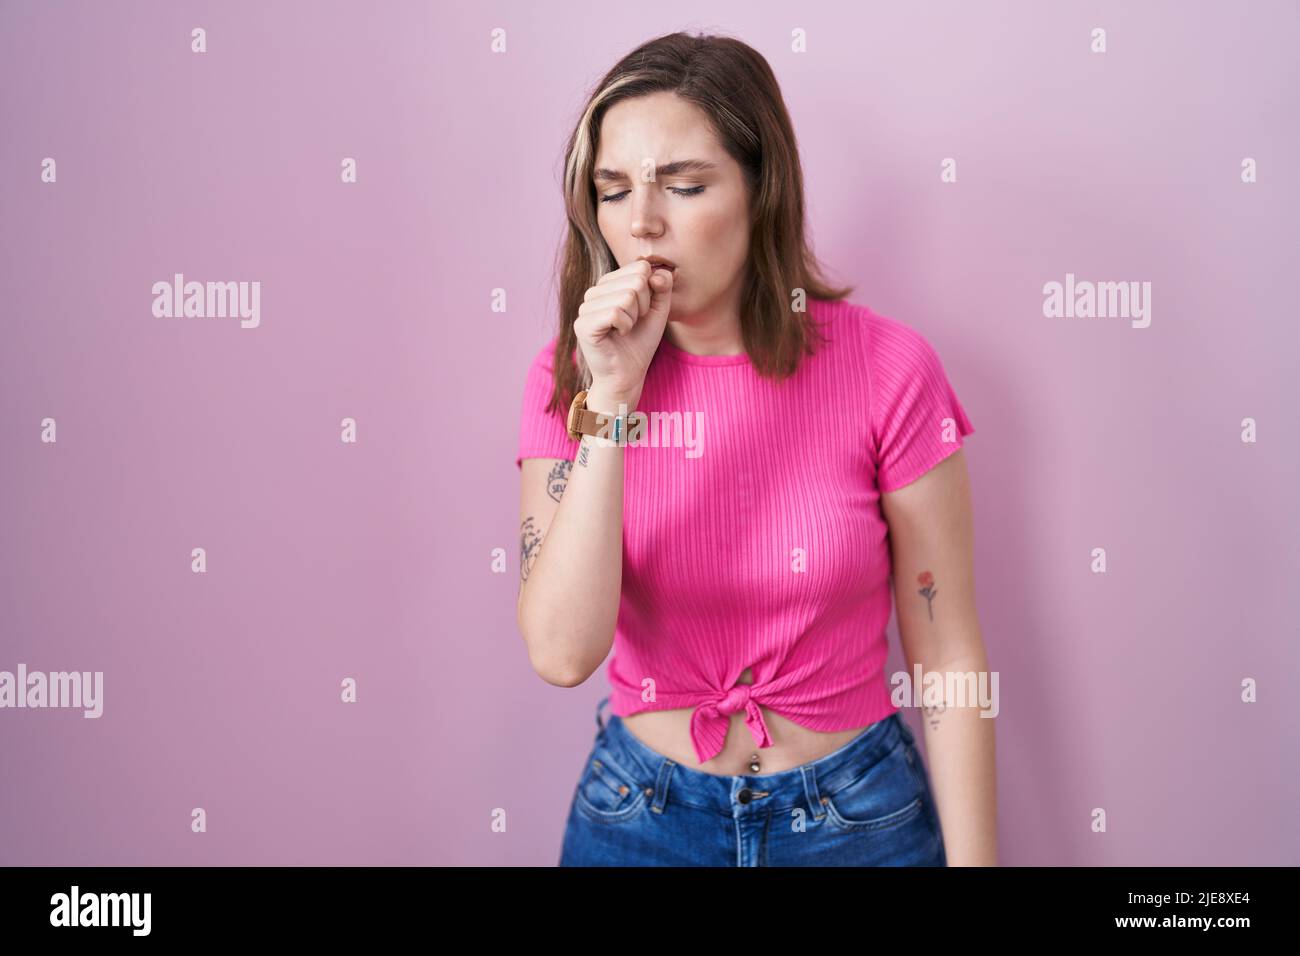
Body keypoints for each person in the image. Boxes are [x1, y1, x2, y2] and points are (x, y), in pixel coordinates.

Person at [516, 31, 996, 866]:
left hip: (857, 819)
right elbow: (563, 653)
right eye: (613, 190)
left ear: (761, 190)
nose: (643, 223)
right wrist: (614, 400)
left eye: (686, 185)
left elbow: (947, 649)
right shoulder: (570, 380)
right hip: (641, 817)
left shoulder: (888, 368)